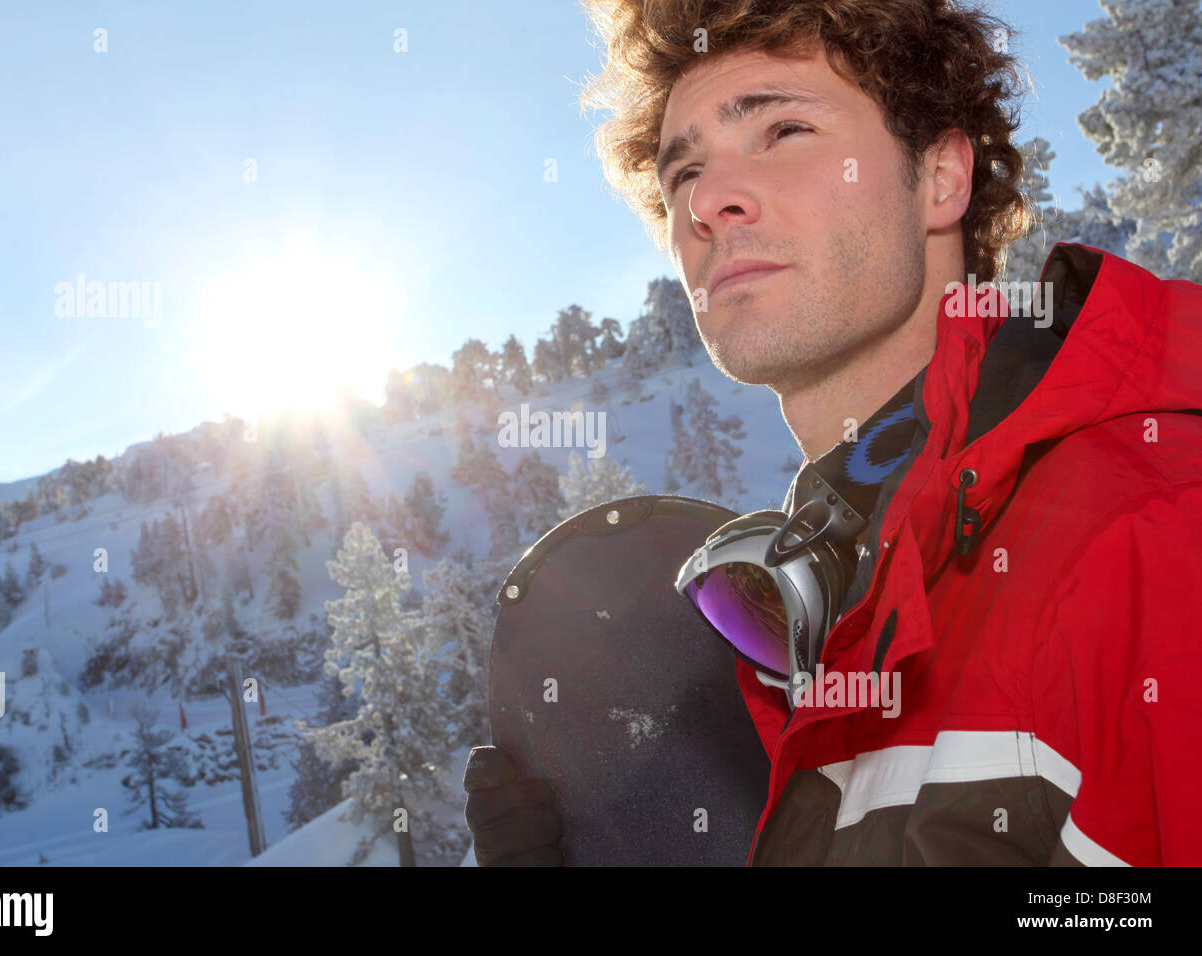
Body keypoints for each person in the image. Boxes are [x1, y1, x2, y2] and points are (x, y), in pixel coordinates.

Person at [465, 0, 1202, 866]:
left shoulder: (1149, 533)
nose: (708, 200)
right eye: (682, 174)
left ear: (940, 178)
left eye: (782, 130)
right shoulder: (822, 608)